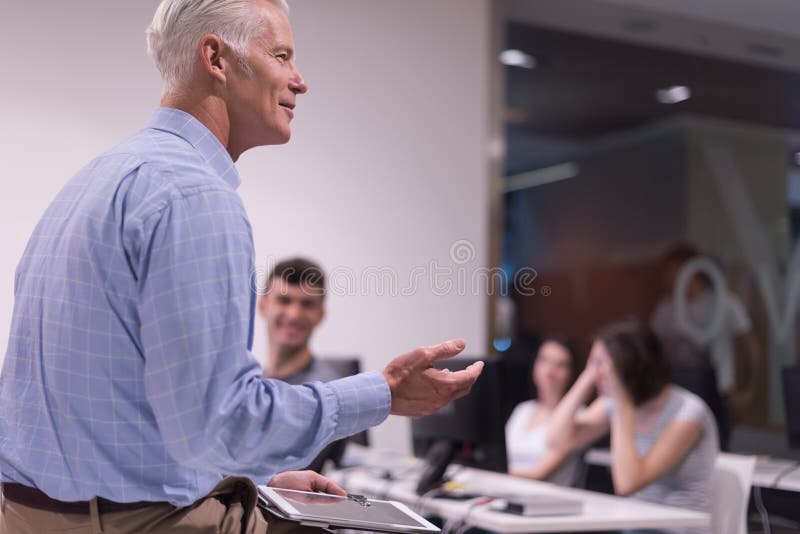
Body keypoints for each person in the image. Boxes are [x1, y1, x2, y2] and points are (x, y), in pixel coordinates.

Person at [0, 1, 483, 532]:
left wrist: (253, 477)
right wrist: (384, 393)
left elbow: (150, 423)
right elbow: (222, 420)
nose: (300, 81)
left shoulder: (95, 179)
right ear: (216, 58)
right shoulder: (194, 196)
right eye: (281, 55)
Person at [548, 319, 718, 534]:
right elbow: (556, 441)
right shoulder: (616, 405)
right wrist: (588, 376)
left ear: (630, 368)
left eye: (605, 366)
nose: (600, 374)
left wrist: (621, 401)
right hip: (636, 529)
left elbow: (627, 483)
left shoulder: (688, 412)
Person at [259, 257, 367, 470]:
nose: (294, 314)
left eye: (307, 304)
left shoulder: (325, 391)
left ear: (321, 314)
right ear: (262, 306)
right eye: (284, 301)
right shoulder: (253, 383)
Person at [650, 244, 761, 448]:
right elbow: (655, 351)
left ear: (691, 270)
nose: (667, 279)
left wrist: (747, 389)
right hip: (677, 392)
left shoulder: (724, 303)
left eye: (672, 272)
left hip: (719, 392)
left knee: (718, 447)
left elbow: (749, 345)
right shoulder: (666, 308)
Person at [504, 338, 583, 485]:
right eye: (544, 360)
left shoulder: (578, 415)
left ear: (571, 373)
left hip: (550, 501)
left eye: (560, 365)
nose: (549, 371)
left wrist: (490, 470)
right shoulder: (523, 409)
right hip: (506, 492)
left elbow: (539, 475)